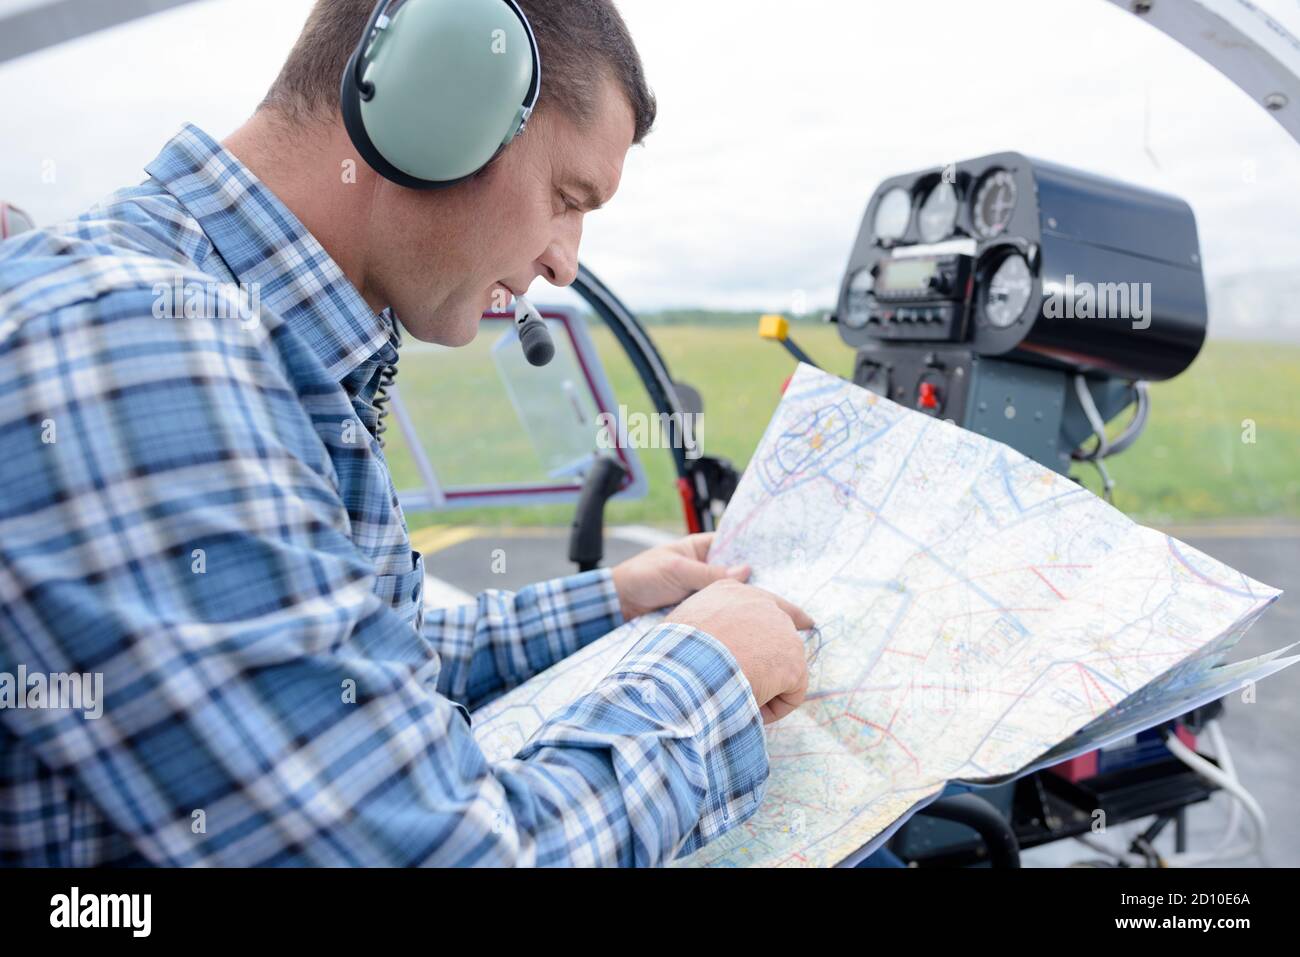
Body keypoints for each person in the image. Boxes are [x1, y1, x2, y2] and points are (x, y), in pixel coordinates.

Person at [0, 0, 811, 867]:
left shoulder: (262, 339)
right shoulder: (139, 349)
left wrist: (616, 599)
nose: (564, 261)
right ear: (437, 103)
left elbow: (352, 663)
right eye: (568, 198)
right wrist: (710, 672)